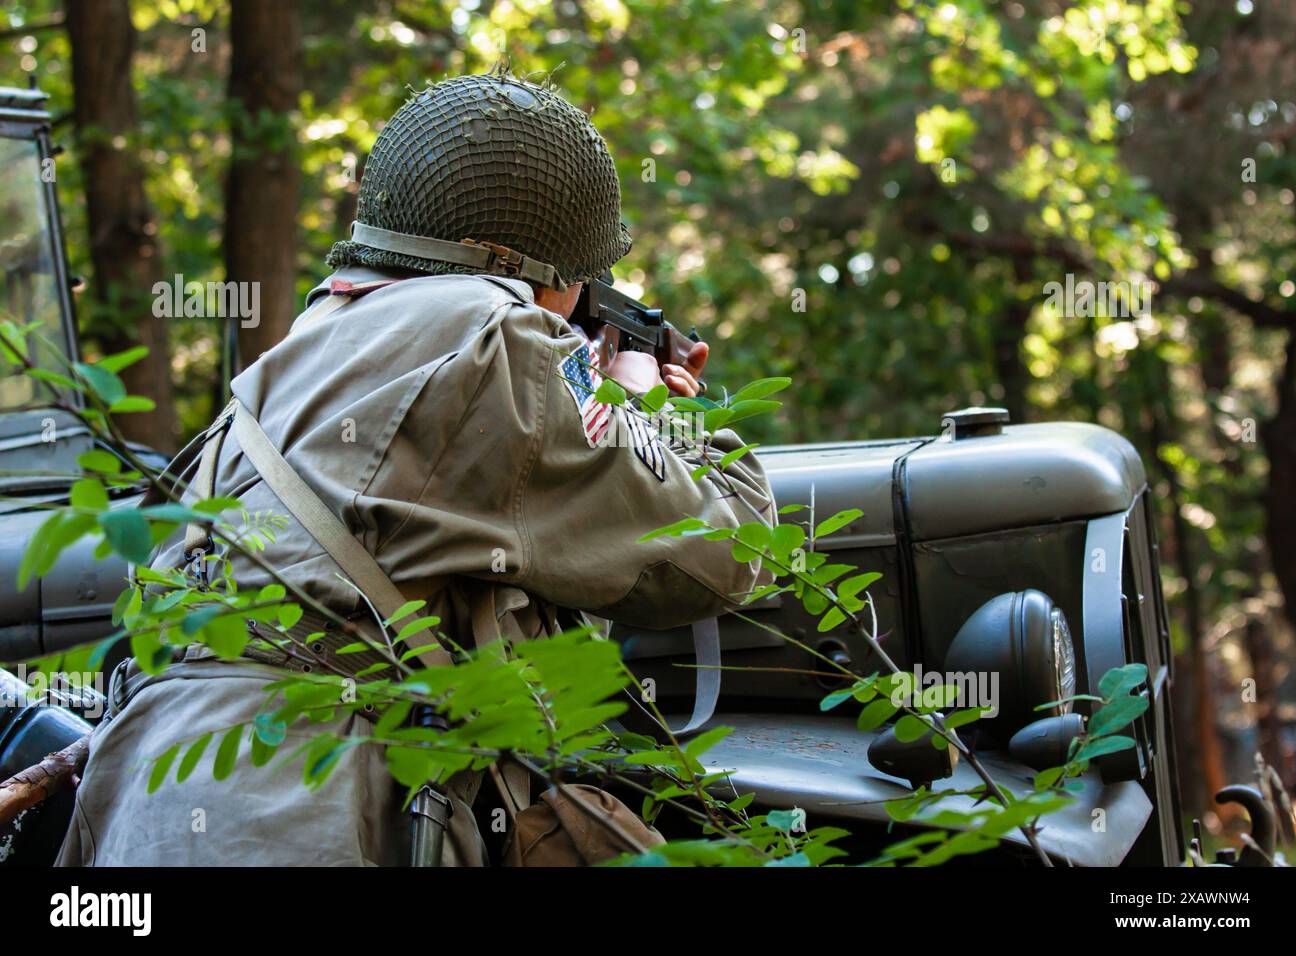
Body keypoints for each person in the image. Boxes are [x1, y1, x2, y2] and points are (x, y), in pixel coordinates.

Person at [57, 70, 772, 867]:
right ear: (551, 273)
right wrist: (658, 408)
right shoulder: (501, 348)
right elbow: (729, 554)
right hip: (309, 823)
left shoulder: (313, 339)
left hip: (149, 814)